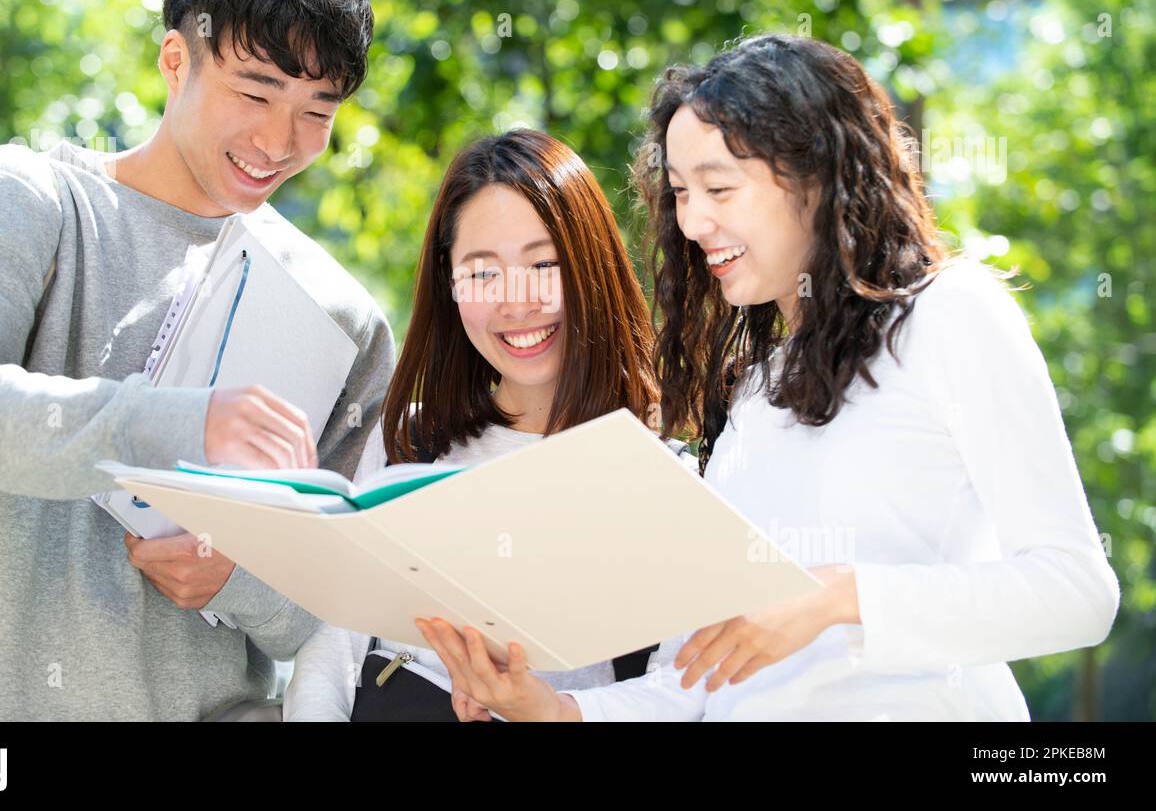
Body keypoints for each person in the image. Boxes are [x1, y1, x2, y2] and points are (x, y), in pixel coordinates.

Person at [415, 35, 1121, 721]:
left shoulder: (947, 316)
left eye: (719, 187)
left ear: (815, 175)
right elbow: (695, 677)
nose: (692, 221)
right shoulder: (752, 391)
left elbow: (1077, 590)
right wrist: (553, 707)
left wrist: (837, 598)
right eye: (682, 192)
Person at [0, 0, 395, 721]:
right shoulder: (33, 198)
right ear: (176, 60)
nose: (281, 140)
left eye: (318, 111)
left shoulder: (340, 318)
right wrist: (175, 424)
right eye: (256, 91)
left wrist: (238, 578)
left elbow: (341, 603)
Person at [283, 129, 692, 721]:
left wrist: (546, 707)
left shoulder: (661, 472)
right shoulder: (409, 444)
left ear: (591, 267)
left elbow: (685, 690)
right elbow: (333, 641)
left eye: (543, 263)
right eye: (482, 273)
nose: (516, 303)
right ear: (449, 286)